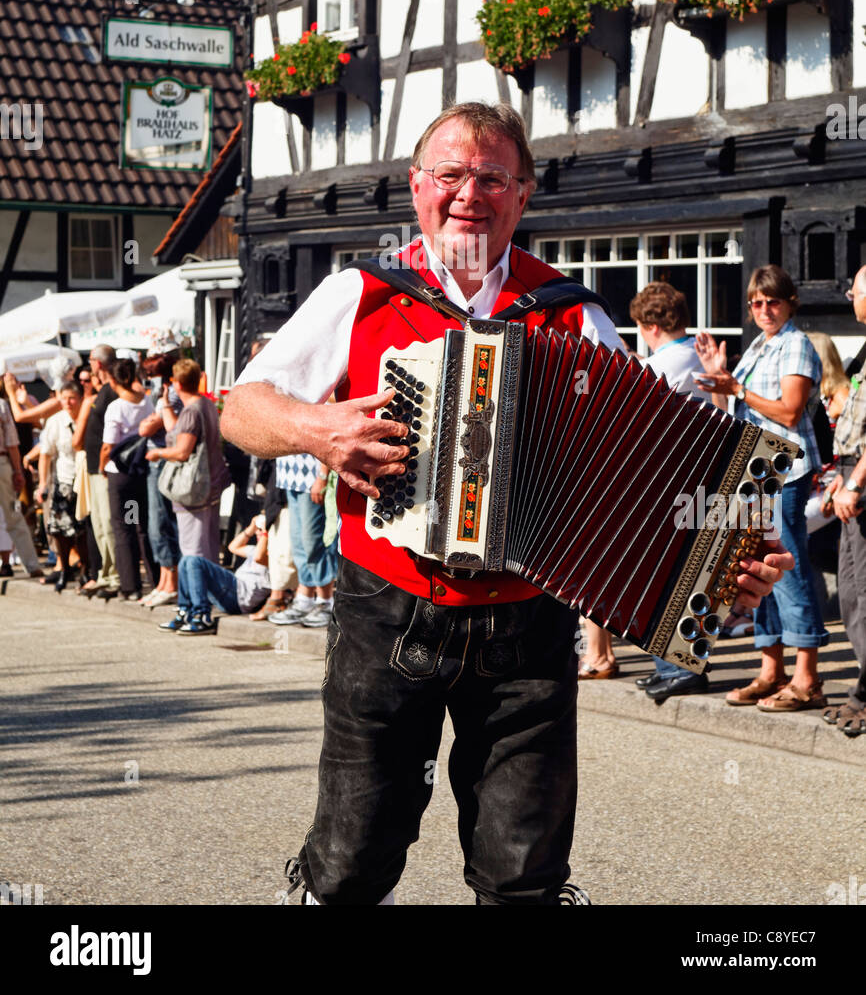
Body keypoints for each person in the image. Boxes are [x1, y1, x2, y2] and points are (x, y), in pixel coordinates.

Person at [221, 101, 793, 907]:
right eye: (449, 174)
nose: (468, 193)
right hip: (387, 612)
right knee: (351, 861)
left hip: (527, 632)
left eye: (491, 177)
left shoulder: (570, 312)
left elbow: (638, 470)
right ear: (416, 187)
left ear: (522, 195)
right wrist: (316, 430)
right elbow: (240, 409)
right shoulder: (360, 294)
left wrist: (723, 557)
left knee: (523, 875)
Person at [694, 264, 828, 712]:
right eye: (757, 302)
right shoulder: (758, 345)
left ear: (790, 303)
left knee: (789, 570)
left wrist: (735, 387)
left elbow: (790, 413)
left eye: (773, 301)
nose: (765, 309)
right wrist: (719, 379)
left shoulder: (796, 344)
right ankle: (772, 670)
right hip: (757, 472)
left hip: (786, 470)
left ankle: (808, 677)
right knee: (756, 565)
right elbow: (732, 410)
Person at [629, 281, 715, 703]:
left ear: (650, 325)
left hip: (678, 480)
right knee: (683, 573)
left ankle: (681, 668)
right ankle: (674, 665)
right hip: (694, 476)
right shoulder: (691, 354)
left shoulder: (669, 361)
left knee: (667, 574)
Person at [822, 267, 866, 736]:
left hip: (861, 482)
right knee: (851, 595)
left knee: (863, 595)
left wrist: (854, 483)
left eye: (856, 289)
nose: (850, 295)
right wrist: (841, 478)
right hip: (851, 475)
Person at [144, 358, 229, 568]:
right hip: (211, 482)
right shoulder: (205, 404)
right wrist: (165, 403)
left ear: (178, 384)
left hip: (194, 487)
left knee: (193, 548)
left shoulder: (191, 411)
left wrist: (158, 453)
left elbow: (182, 451)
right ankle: (208, 593)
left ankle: (196, 598)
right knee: (208, 543)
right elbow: (177, 429)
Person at [158, 514, 271, 636]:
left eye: (261, 530)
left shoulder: (273, 556)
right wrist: (251, 528)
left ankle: (202, 616)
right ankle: (185, 612)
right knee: (185, 560)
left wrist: (266, 531)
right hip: (232, 593)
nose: (258, 533)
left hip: (238, 597)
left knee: (195, 561)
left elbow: (260, 557)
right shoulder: (253, 550)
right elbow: (233, 547)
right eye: (258, 530)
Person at [100, 358, 155, 602]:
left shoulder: (116, 407)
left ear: (113, 380)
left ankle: (130, 585)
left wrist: (102, 467)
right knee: (141, 525)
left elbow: (108, 445)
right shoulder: (146, 402)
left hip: (119, 473)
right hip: (139, 469)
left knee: (123, 528)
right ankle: (154, 580)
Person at [137, 337, 183, 608]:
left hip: (162, 460)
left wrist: (150, 422)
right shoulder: (161, 390)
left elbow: (146, 428)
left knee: (161, 522)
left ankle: (171, 582)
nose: (148, 367)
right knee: (156, 523)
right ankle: (164, 581)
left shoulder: (172, 393)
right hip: (155, 460)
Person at [73, 345, 121, 599]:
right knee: (99, 523)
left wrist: (103, 464)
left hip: (106, 469)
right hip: (94, 467)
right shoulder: (102, 391)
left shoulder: (112, 391)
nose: (89, 365)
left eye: (91, 360)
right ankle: (105, 573)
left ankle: (115, 575)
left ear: (99, 363)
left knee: (113, 522)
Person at [267, 455, 337, 628]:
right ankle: (305, 599)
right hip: (290, 477)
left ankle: (326, 600)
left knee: (313, 541)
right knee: (298, 543)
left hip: (312, 476)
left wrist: (322, 475)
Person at [36, 379, 90, 592]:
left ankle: (85, 569)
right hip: (64, 477)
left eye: (72, 398)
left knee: (83, 528)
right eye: (64, 398)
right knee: (59, 528)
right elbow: (45, 454)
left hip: (84, 479)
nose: (68, 403)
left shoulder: (88, 417)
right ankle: (65, 567)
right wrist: (42, 484)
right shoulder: (56, 421)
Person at [0, 388, 41, 578]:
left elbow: (11, 442)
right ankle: (32, 565)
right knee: (13, 515)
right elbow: (11, 442)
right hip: (3, 464)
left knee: (14, 513)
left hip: (3, 464)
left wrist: (17, 470)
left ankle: (31, 564)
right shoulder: (1, 404)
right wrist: (17, 471)